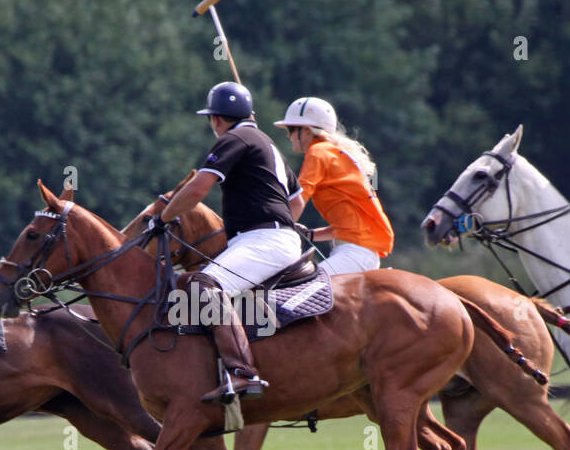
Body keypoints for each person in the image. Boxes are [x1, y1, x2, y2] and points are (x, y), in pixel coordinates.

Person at [154, 81, 303, 404]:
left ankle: (242, 372)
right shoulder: (267, 143)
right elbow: (298, 202)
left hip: (263, 240)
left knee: (204, 284)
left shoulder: (234, 138)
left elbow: (196, 190)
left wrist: (163, 218)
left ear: (217, 120)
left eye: (211, 119)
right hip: (273, 237)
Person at [273, 96, 394, 273]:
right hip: (359, 252)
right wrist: (311, 235)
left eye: (291, 129)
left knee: (301, 292)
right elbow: (348, 225)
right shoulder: (335, 153)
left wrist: (275, 231)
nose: (288, 135)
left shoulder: (318, 152)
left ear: (307, 130)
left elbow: (298, 200)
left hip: (354, 254)